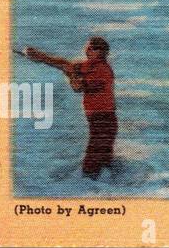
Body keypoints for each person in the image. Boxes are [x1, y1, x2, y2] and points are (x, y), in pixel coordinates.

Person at [24, 37, 116, 178]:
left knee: (94, 161)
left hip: (104, 119)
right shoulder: (89, 65)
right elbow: (64, 64)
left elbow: (78, 87)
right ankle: (106, 185)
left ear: (101, 52)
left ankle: (91, 188)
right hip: (99, 119)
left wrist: (72, 75)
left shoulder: (103, 70)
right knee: (102, 158)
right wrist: (40, 56)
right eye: (87, 47)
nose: (87, 50)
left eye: (91, 48)